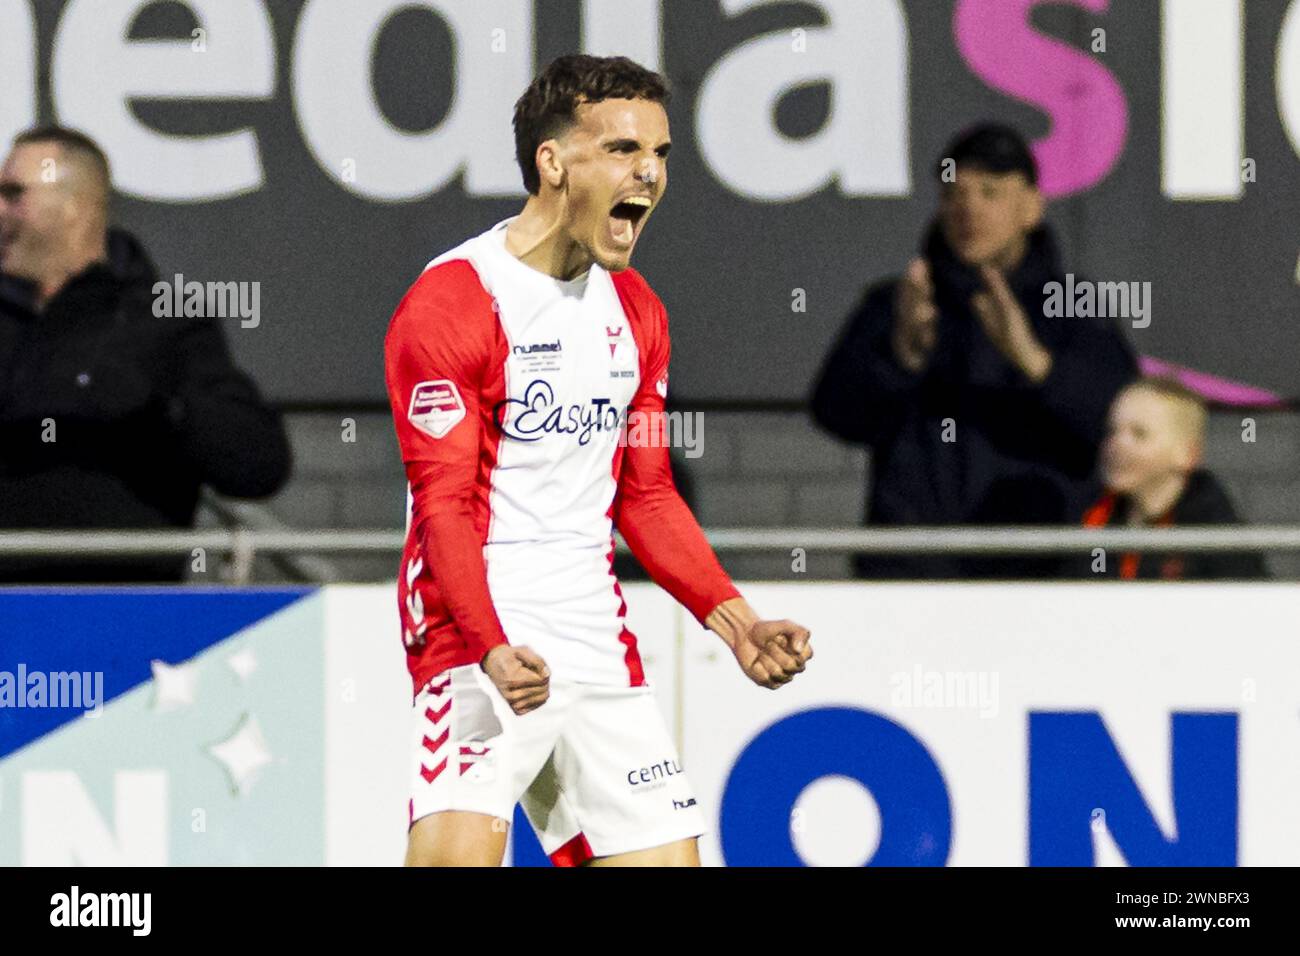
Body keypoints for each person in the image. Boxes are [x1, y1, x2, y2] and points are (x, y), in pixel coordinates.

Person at [384, 54, 813, 868]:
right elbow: (443, 507)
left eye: (660, 153)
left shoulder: (638, 313)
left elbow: (645, 496)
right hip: (473, 630)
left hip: (592, 635)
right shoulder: (454, 303)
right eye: (622, 149)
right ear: (552, 163)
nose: (648, 172)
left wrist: (736, 621)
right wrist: (487, 644)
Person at [811, 123, 1139, 579]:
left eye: (990, 192)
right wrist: (901, 357)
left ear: (1031, 207)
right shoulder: (900, 304)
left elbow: (1121, 427)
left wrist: (1036, 363)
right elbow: (834, 414)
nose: (969, 209)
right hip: (912, 576)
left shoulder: (1076, 311)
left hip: (1045, 576)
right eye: (954, 194)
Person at [0, 126, 291, 582]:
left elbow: (258, 466)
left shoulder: (164, 321)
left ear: (77, 205)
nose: (0, 209)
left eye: (13, 193)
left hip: (128, 615)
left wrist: (170, 404)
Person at [1079, 377, 1269, 580]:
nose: (1117, 445)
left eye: (1139, 434)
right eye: (1112, 431)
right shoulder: (1091, 517)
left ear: (1188, 455)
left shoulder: (1220, 543)